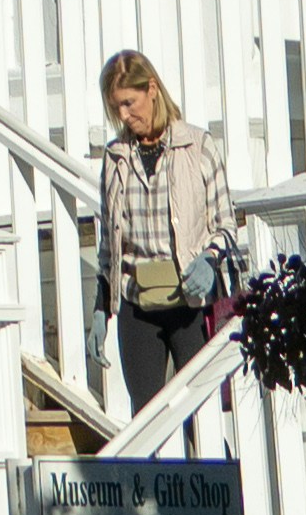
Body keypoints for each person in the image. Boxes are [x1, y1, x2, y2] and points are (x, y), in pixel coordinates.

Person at [92, 49, 237, 409]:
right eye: (117, 108)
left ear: (152, 88)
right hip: (136, 301)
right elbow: (109, 244)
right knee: (147, 414)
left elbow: (226, 225)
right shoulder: (115, 158)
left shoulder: (197, 146)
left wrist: (209, 258)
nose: (124, 115)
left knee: (199, 412)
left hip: (190, 298)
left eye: (129, 103)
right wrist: (100, 307)